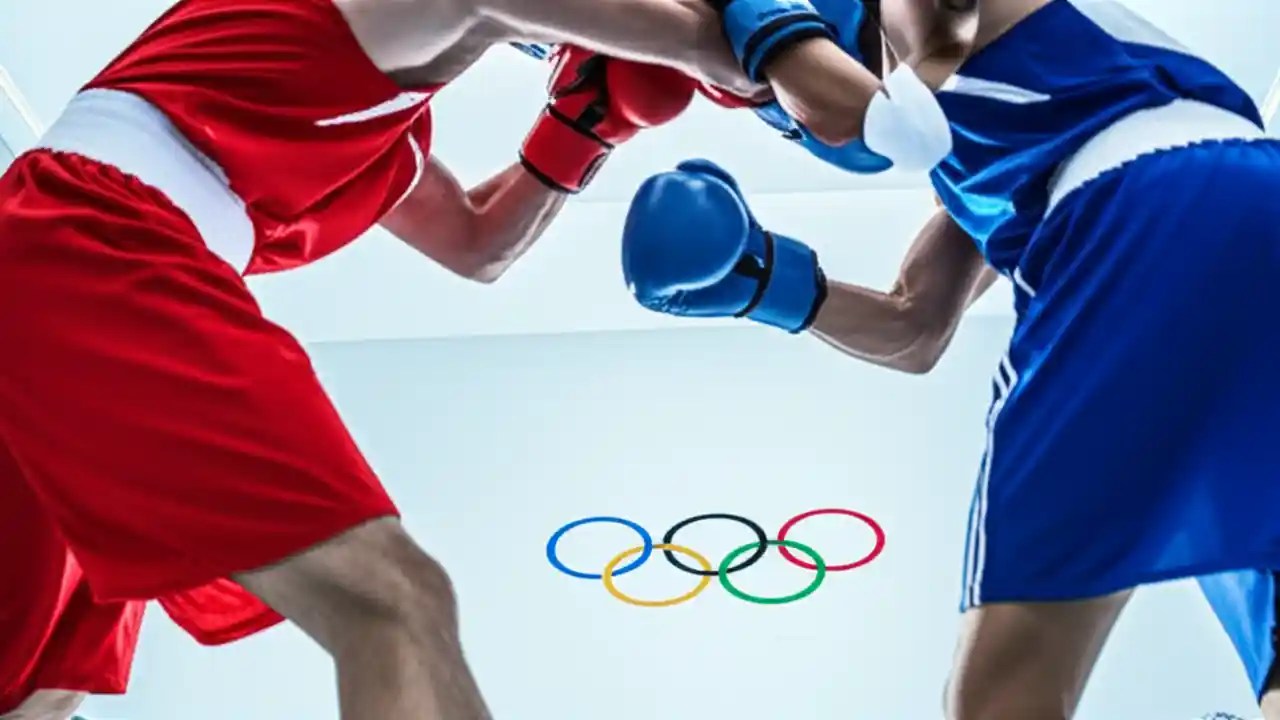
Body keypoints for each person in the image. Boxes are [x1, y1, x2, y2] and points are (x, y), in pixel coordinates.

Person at [0, 0, 772, 717]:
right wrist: (764, 48)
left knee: (39, 685)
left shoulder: (386, 129)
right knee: (392, 596)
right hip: (95, 237)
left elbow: (476, 245)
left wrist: (584, 124)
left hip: (75, 273)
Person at [621, 0, 1280, 718]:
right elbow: (916, 325)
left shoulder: (947, 52)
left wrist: (770, 31)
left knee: (1002, 695)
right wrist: (765, 284)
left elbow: (871, 109)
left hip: (1145, 211)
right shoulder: (992, 155)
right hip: (1233, 204)